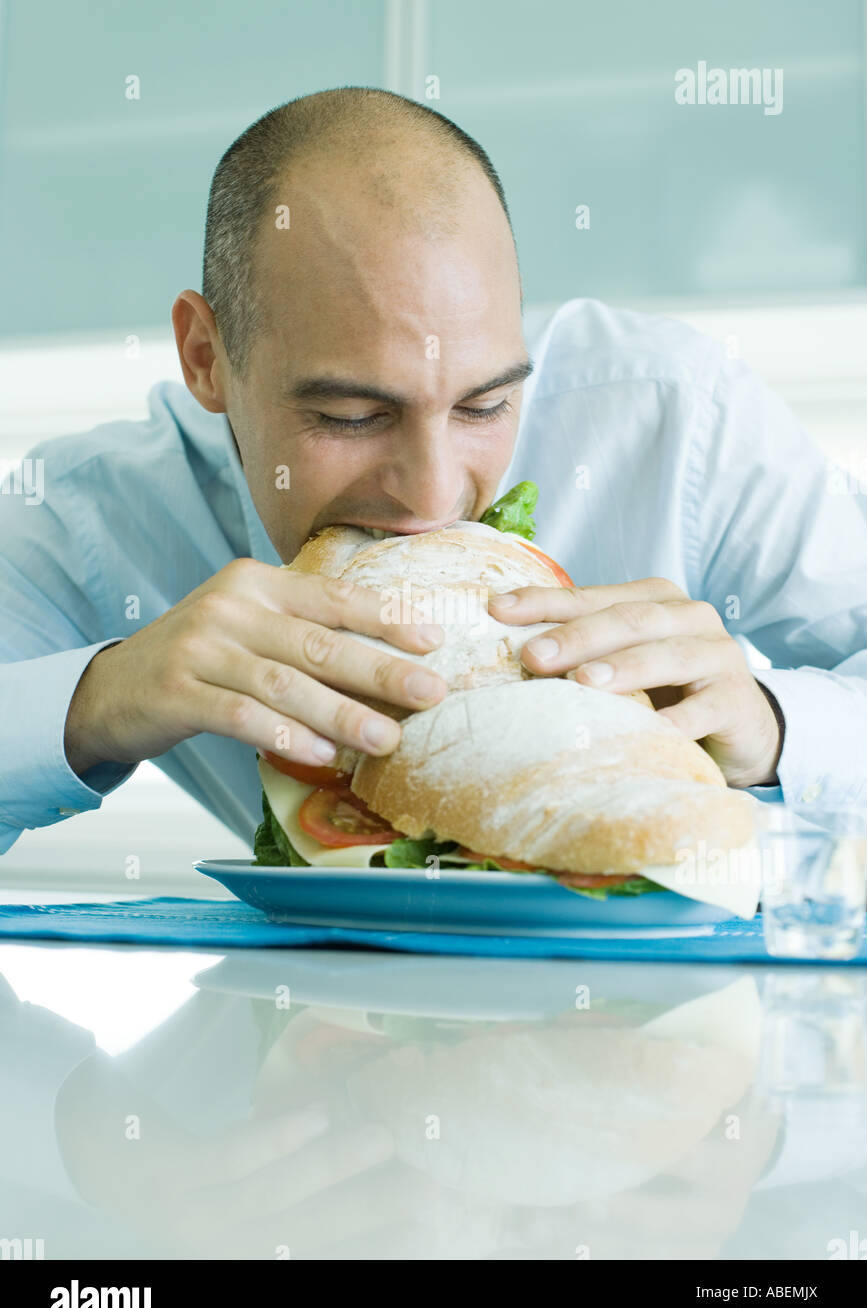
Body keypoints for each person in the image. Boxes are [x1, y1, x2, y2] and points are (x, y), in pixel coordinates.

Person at [2, 86, 865, 856]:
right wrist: (95, 702)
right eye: (351, 417)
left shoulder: (674, 413)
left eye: (484, 407)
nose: (432, 495)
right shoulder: (91, 514)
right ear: (206, 357)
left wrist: (776, 725)